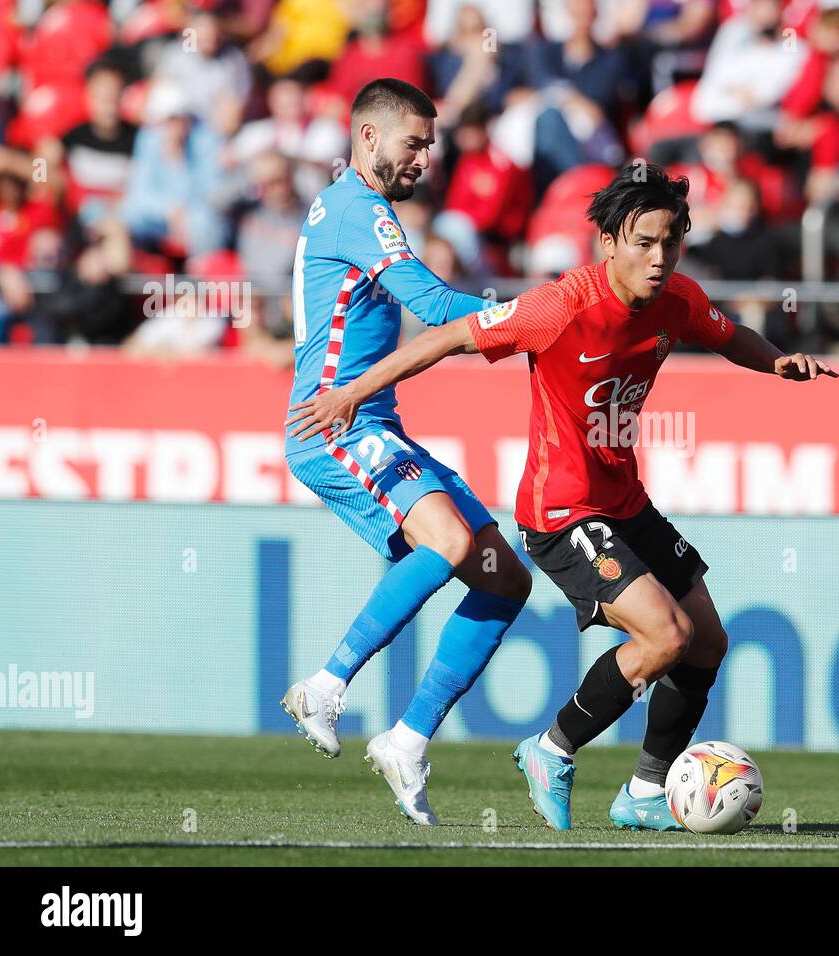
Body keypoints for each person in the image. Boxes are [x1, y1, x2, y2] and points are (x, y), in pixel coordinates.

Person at [285, 163, 836, 830]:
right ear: (608, 242)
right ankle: (551, 749)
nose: (658, 258)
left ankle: (642, 792)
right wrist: (350, 392)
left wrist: (775, 359)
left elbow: (728, 335)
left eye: (670, 242)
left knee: (708, 643)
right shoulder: (560, 304)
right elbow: (444, 336)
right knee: (666, 634)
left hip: (626, 503)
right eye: (643, 243)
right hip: (560, 510)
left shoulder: (679, 300)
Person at [279, 78, 532, 825]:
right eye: (413, 141)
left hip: (376, 424)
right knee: (450, 542)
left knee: (502, 577)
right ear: (367, 137)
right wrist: (531, 312)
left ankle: (407, 738)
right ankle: (325, 686)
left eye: (430, 143)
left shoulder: (357, 208)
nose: (425, 155)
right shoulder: (360, 209)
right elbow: (432, 307)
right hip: (338, 427)